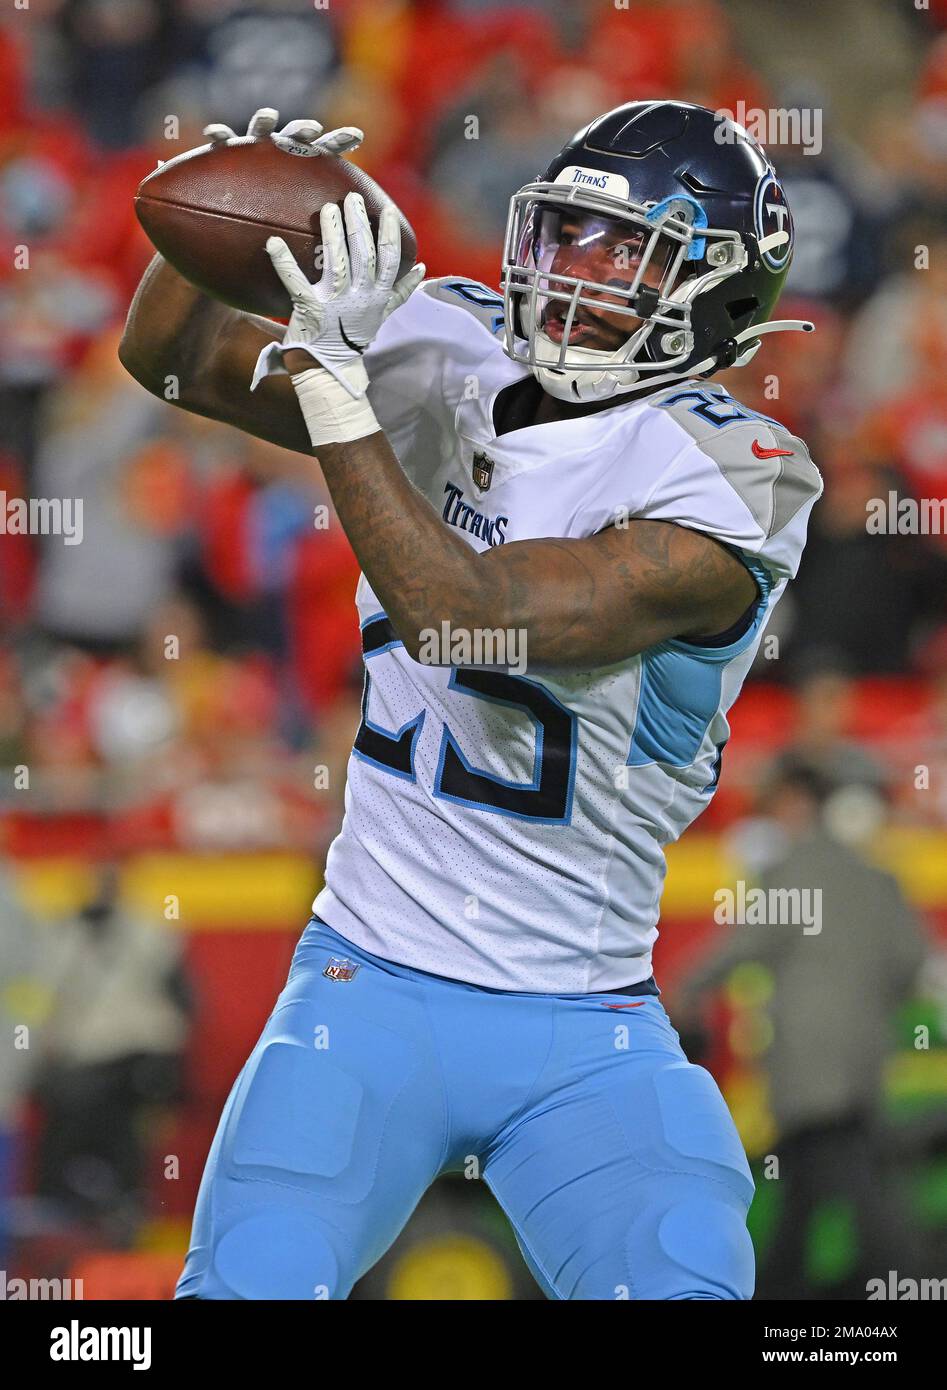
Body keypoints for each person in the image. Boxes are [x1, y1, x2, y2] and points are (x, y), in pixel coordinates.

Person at [120, 101, 822, 1300]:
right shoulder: (454, 341)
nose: (570, 275)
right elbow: (173, 358)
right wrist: (225, 218)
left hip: (585, 1022)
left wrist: (338, 387)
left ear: (712, 297)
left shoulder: (731, 478)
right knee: (246, 1286)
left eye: (621, 254)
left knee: (686, 1281)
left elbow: (462, 614)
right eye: (564, 236)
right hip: (365, 976)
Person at [675, 761, 929, 1299]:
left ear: (797, 803)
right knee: (814, 1180)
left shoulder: (792, 871)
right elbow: (910, 962)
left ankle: (910, 1279)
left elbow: (745, 946)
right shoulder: (876, 877)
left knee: (845, 1181)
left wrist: (684, 987)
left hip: (808, 1063)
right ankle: (785, 1285)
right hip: (861, 1058)